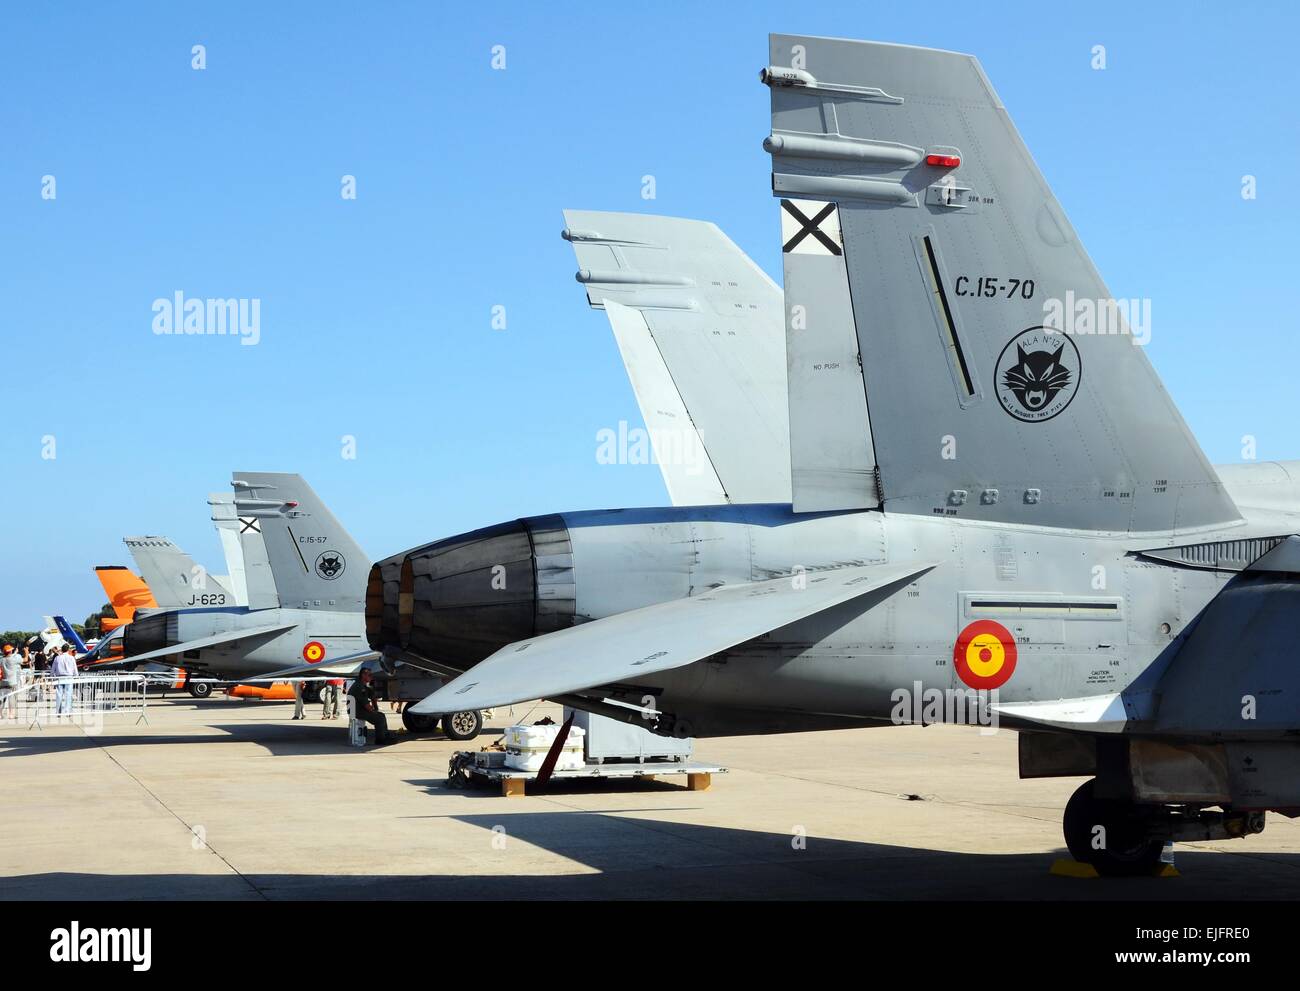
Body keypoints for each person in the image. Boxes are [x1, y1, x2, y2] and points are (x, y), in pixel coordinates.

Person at [347, 670, 392, 745]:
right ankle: (381, 739)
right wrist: (374, 711)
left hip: (357, 710)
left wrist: (375, 707)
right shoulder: (360, 687)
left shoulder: (361, 685)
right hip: (357, 711)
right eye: (369, 675)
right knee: (380, 718)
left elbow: (372, 695)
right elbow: (366, 704)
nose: (371, 677)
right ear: (363, 675)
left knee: (380, 715)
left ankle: (384, 736)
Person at [51, 644, 78, 716]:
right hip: (69, 677)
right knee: (68, 694)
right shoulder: (71, 658)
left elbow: (53, 668)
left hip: (59, 677)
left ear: (62, 650)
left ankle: (58, 712)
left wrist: (51, 676)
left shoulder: (57, 658)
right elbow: (74, 668)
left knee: (59, 694)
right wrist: (76, 676)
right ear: (68, 650)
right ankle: (67, 711)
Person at [1, 645, 20, 718]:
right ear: (10, 651)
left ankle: (0, 714)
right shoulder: (13, 660)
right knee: (12, 698)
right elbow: (25, 660)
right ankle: (11, 714)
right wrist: (26, 651)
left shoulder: (1, 660)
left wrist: (15, 653)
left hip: (3, 682)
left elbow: (9, 656)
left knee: (2, 698)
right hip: (12, 682)